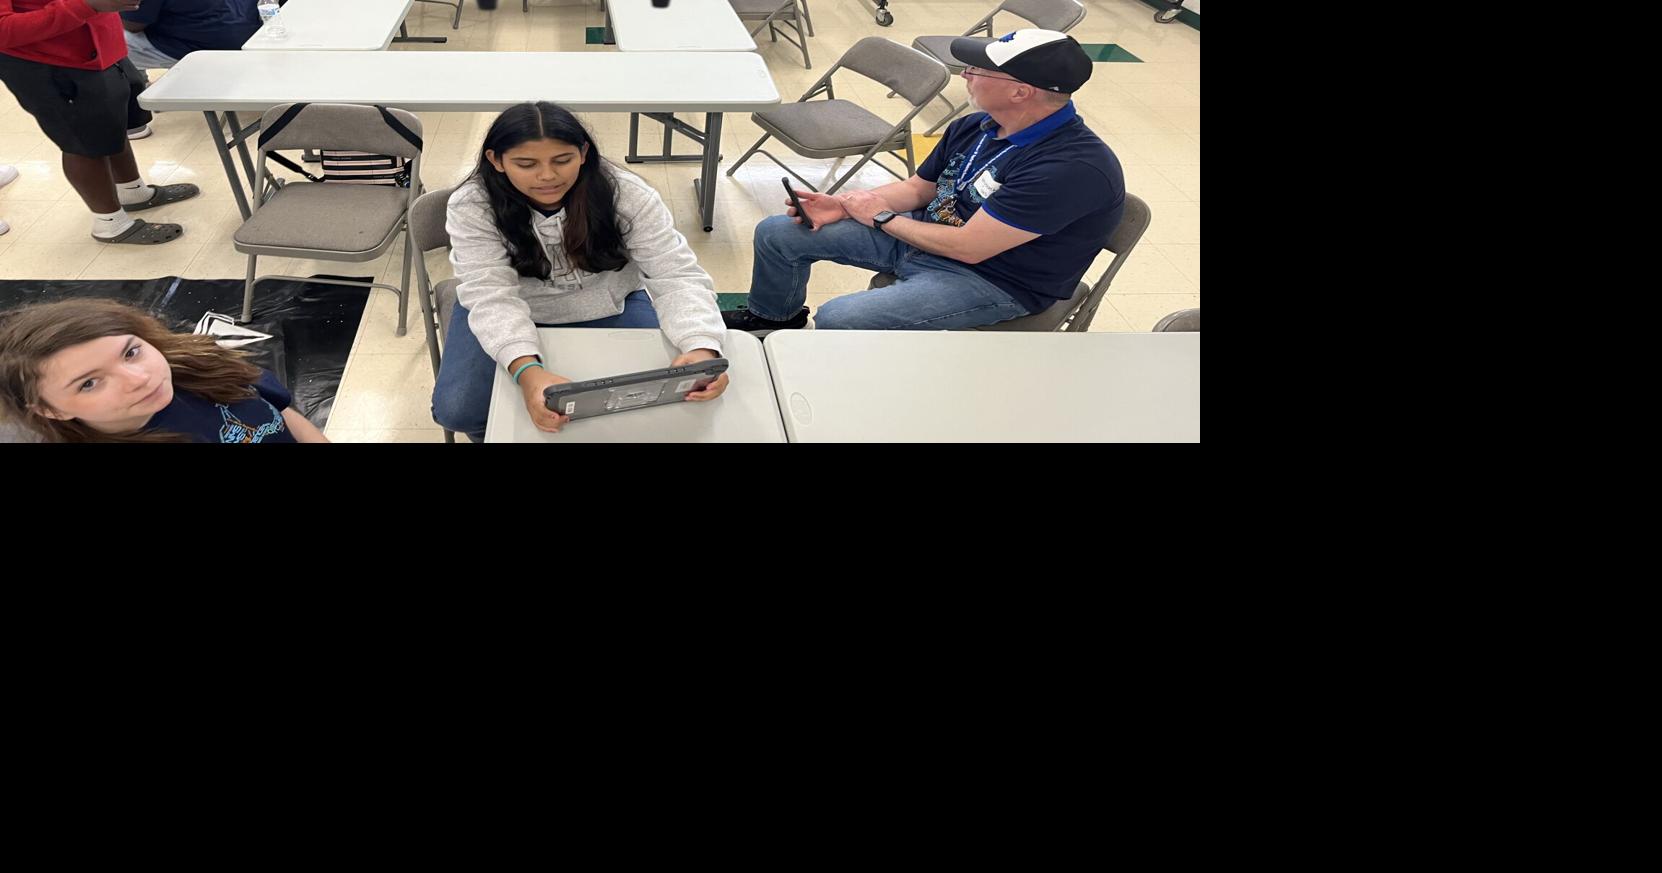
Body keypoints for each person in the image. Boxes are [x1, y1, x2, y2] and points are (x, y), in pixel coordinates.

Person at [722, 29, 1125, 332]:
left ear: (1020, 92)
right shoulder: (979, 125)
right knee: (778, 233)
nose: (966, 75)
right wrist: (844, 205)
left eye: (979, 70)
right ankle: (773, 319)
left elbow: (970, 248)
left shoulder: (1072, 168)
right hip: (927, 236)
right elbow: (919, 188)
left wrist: (879, 217)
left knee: (840, 318)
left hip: (993, 279)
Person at [433, 101, 729, 441]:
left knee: (653, 399)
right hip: (513, 308)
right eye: (526, 164)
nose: (547, 176)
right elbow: (489, 295)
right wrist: (527, 370)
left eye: (563, 160)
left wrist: (702, 347)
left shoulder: (626, 194)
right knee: (459, 409)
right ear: (496, 160)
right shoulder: (473, 205)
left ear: (584, 153)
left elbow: (675, 275)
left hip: (611, 304)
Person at [0, 0, 200, 244]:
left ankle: (133, 191)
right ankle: (110, 223)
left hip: (102, 44)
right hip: (51, 59)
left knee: (111, 122)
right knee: (82, 142)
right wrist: (86, 5)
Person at [0, 298, 328, 442]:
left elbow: (280, 411)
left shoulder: (201, 365)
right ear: (49, 410)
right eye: (89, 383)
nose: (140, 379)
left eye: (131, 352)